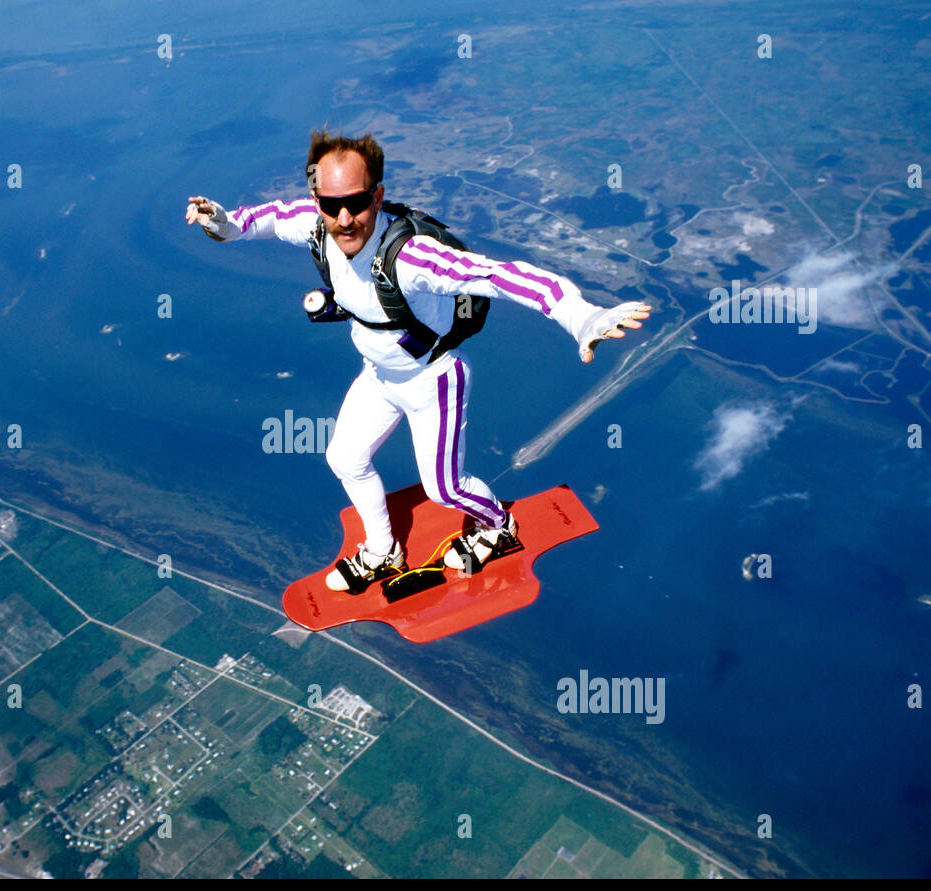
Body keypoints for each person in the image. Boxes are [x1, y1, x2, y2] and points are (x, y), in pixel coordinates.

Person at [186, 129, 649, 593]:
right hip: (381, 375)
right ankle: (383, 549)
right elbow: (247, 223)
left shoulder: (411, 258)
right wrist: (216, 219)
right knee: (345, 458)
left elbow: (501, 276)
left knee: (445, 489)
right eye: (330, 205)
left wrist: (580, 315)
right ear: (316, 200)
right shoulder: (313, 223)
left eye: (358, 202)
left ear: (379, 196)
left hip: (434, 379)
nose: (344, 218)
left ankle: (497, 527)